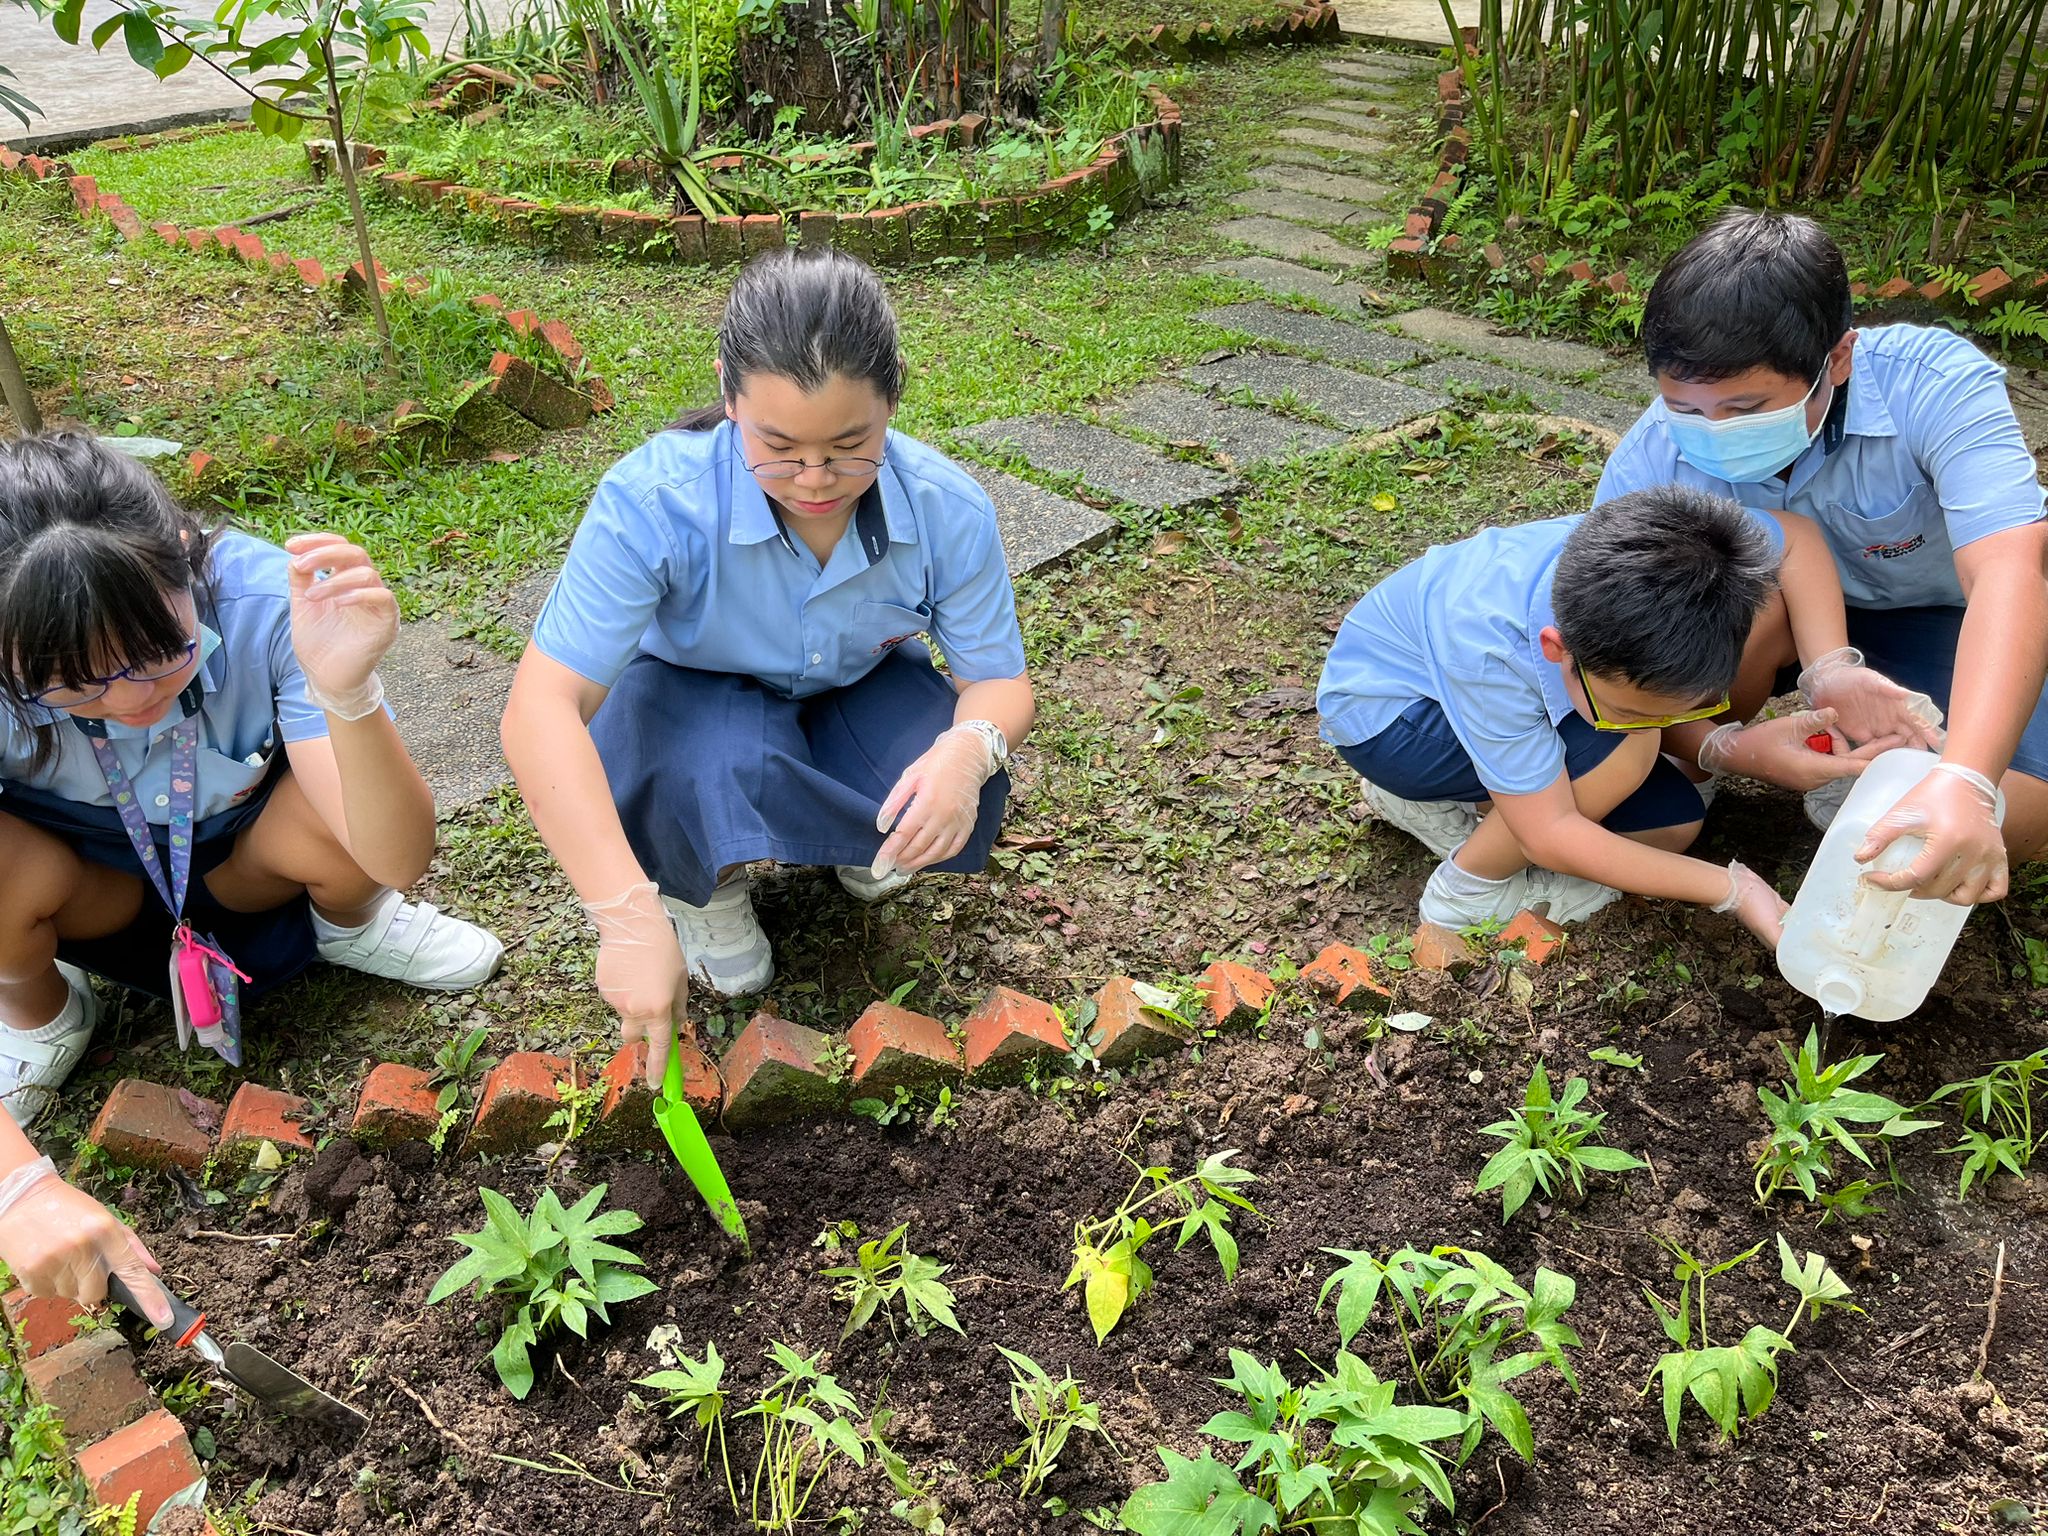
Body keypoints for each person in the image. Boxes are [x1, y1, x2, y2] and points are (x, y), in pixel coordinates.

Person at [0, 431, 503, 1321]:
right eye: (75, 689)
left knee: (346, 826)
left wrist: (347, 692)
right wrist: (19, 1189)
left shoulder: (270, 600)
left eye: (160, 652)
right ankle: (38, 1008)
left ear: (184, 559)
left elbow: (399, 855)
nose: (128, 699)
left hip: (249, 865)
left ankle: (353, 924)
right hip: (86, 890)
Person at [502, 249, 1034, 1089]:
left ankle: (863, 836)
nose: (815, 480)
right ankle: (700, 887)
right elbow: (540, 708)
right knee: (692, 767)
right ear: (729, 394)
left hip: (854, 681)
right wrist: (623, 913)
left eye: (851, 446)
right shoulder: (653, 502)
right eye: (777, 446)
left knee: (952, 758)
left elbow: (997, 683)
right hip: (690, 689)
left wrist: (968, 751)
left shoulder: (947, 507)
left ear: (893, 398)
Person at [1597, 209, 2047, 908]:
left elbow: (2009, 571)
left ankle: (1895, 777)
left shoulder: (1933, 384)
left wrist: (1966, 779)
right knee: (1689, 608)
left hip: (1943, 615)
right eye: (1685, 409)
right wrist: (1719, 748)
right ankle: (1700, 762)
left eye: (1746, 408)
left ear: (1837, 359)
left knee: (2019, 810)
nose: (1712, 432)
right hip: (1774, 615)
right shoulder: (1651, 457)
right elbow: (1606, 646)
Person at [1317, 485, 1811, 942]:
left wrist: (1828, 674)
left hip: (1477, 701)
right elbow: (1550, 834)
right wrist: (1735, 889)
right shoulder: (1488, 648)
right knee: (1629, 750)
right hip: (1395, 724)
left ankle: (1469, 807)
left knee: (1671, 826)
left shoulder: (1705, 553)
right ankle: (1467, 892)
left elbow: (1797, 537)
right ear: (1557, 649)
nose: (1658, 729)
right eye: (1627, 710)